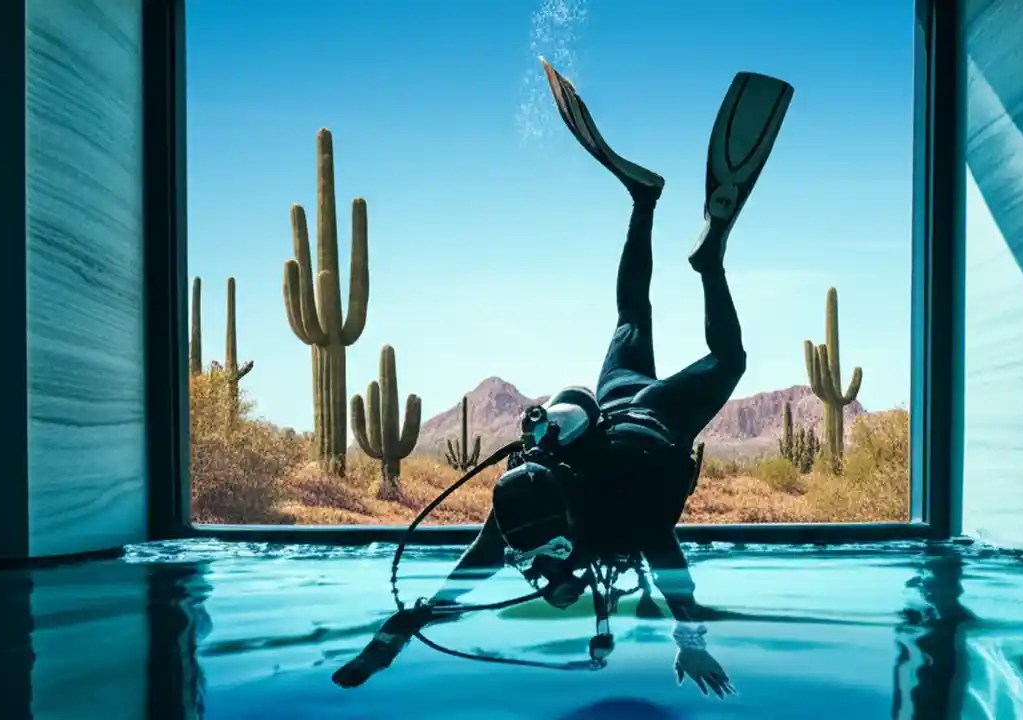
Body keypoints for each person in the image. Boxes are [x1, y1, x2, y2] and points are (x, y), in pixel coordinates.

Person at [333, 59, 794, 699]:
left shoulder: (627, 508)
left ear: (572, 516)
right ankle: (643, 201)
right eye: (527, 558)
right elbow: (472, 568)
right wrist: (402, 632)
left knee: (730, 359)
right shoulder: (520, 503)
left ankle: (708, 259)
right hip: (614, 399)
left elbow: (675, 578)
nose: (537, 569)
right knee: (631, 316)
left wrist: (690, 641)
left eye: (543, 553)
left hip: (656, 417)